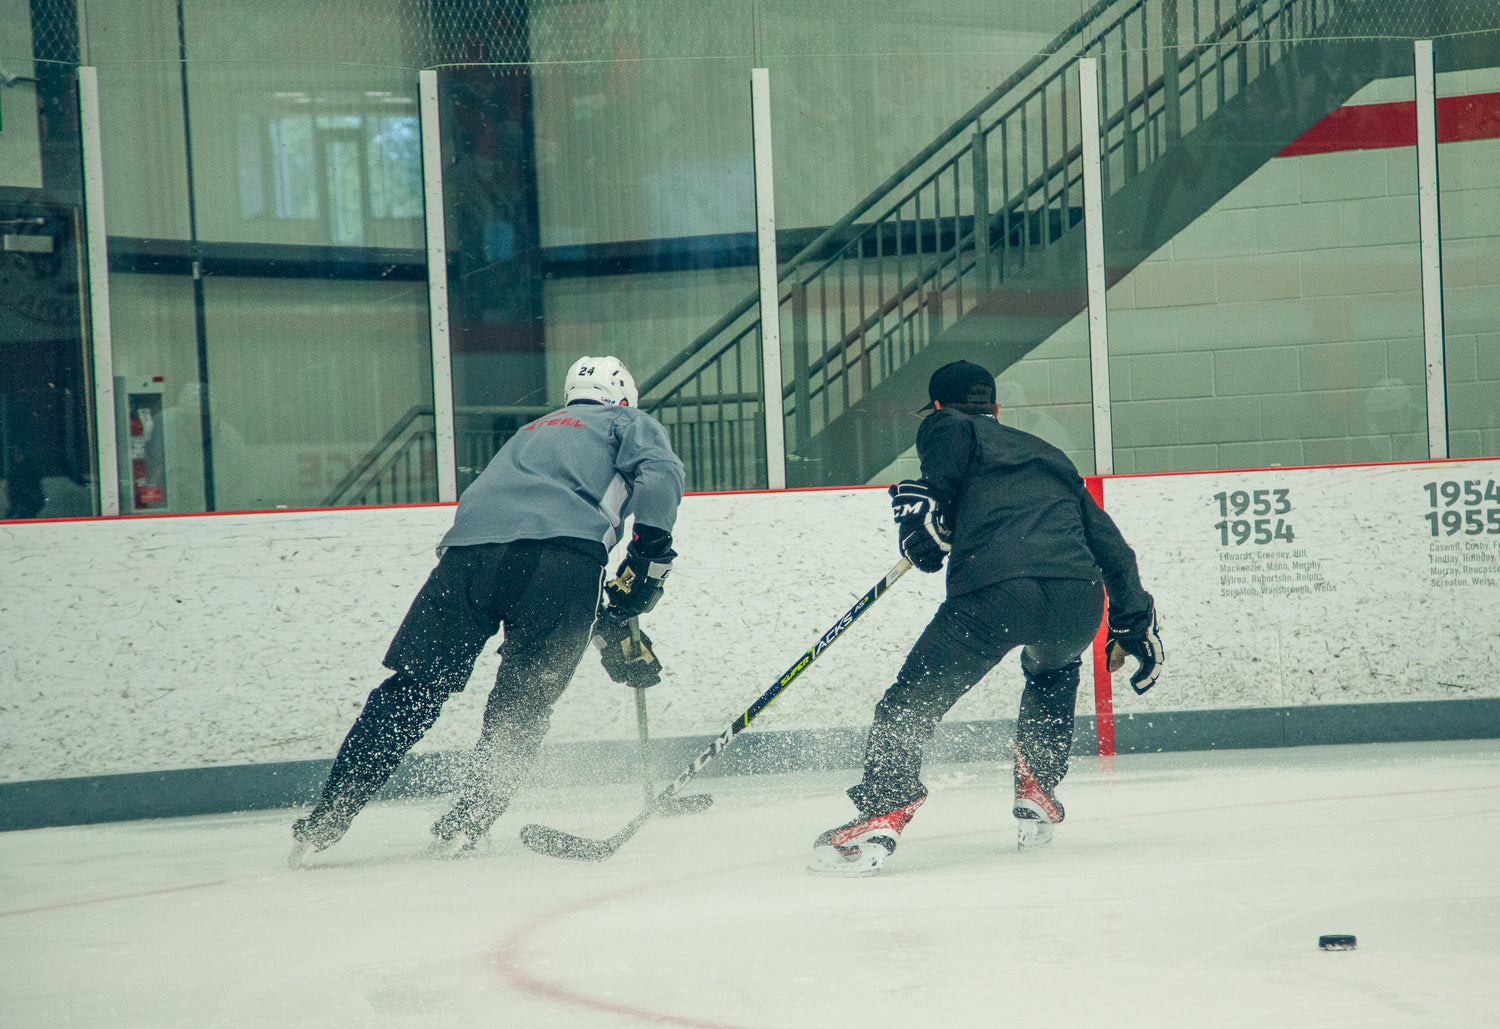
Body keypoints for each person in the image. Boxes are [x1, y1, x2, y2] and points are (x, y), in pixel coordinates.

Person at [290, 356, 685, 867]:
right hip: (562, 558)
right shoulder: (629, 423)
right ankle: (469, 820)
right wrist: (648, 555)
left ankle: (329, 813)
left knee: (413, 687)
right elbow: (660, 475)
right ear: (624, 397)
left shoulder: (530, 431)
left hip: (467, 558)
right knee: (522, 699)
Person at [810, 360, 1164, 875]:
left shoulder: (945, 425)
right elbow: (1111, 544)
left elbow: (945, 477)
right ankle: (1038, 784)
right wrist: (1133, 620)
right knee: (1053, 671)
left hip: (995, 594)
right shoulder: (1049, 454)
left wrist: (932, 512)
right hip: (1076, 599)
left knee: (909, 702)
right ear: (997, 409)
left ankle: (885, 805)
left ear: (935, 407)